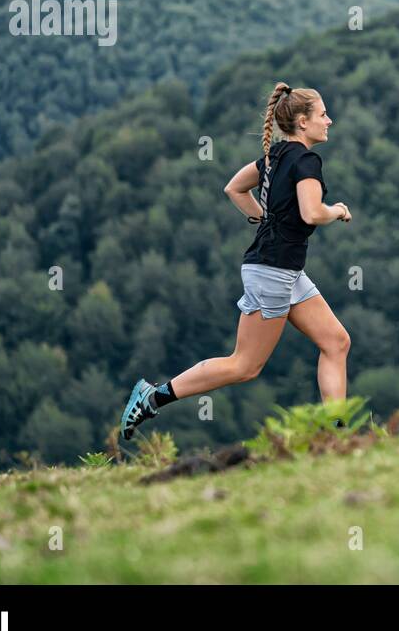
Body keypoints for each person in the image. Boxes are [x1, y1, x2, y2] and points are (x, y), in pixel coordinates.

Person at [119, 83, 352, 441]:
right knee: (244, 365)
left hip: (283, 269)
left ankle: (338, 432)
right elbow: (311, 211)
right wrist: (335, 211)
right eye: (323, 114)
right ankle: (152, 396)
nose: (330, 121)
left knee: (336, 342)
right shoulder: (306, 160)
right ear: (303, 123)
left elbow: (234, 188)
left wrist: (265, 219)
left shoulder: (275, 157)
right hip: (272, 271)